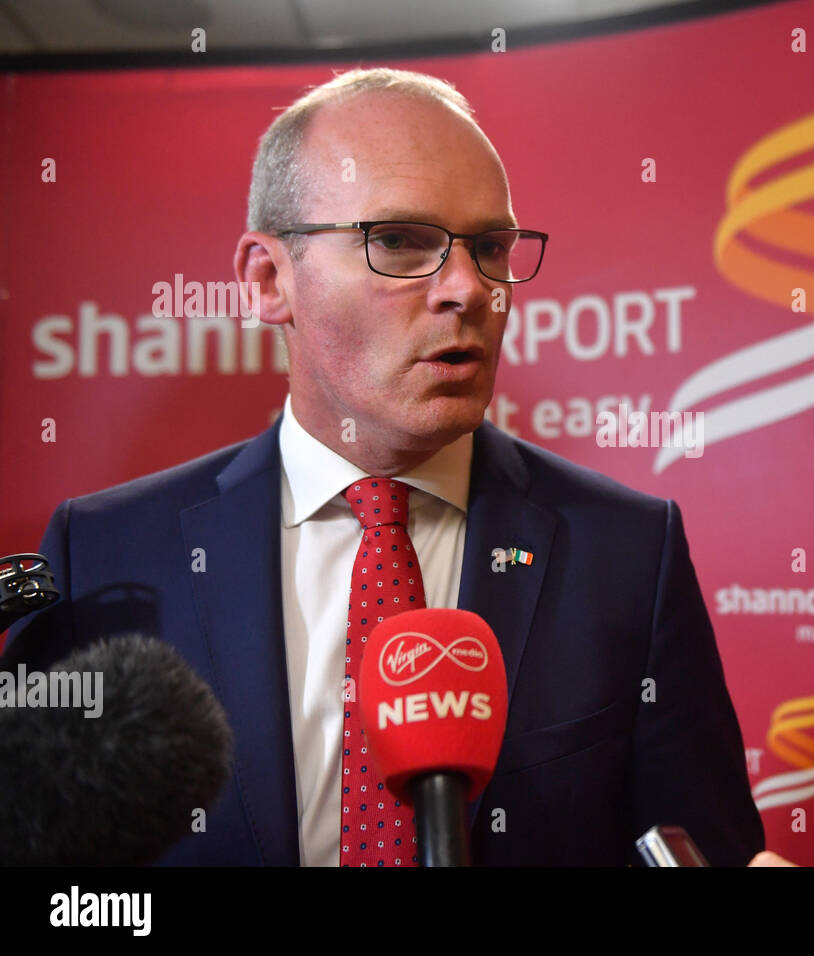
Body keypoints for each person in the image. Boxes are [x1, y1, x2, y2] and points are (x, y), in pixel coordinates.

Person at [0, 68, 765, 867]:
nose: (470, 289)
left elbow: (704, 846)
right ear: (269, 280)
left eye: (491, 247)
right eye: (399, 241)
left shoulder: (628, 551)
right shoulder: (104, 555)